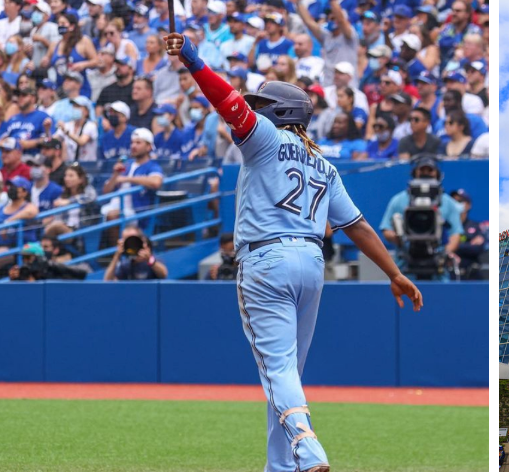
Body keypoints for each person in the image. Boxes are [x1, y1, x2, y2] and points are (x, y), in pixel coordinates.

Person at [165, 32, 421, 472]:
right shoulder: (324, 162)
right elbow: (356, 226)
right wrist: (393, 272)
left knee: (278, 371)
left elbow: (227, 102)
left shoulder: (264, 136)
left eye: (262, 105)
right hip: (311, 265)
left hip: (266, 261)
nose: (255, 109)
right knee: (285, 374)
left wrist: (192, 59)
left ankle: (308, 452)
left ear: (278, 112)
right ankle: (282, 467)